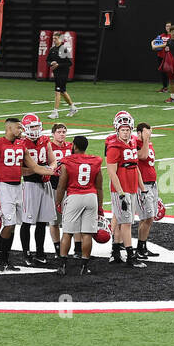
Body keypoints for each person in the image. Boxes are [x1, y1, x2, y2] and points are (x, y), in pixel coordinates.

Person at [0, 116, 51, 271]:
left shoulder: (21, 144)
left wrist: (52, 171)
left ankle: (5, 259)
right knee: (8, 224)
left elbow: (34, 167)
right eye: (19, 128)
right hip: (4, 187)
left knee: (14, 225)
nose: (21, 130)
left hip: (18, 186)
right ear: (9, 128)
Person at [53, 134, 105, 277]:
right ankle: (84, 266)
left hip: (74, 196)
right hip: (91, 197)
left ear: (74, 146)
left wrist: (58, 202)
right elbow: (99, 187)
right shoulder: (95, 161)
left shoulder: (67, 161)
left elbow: (61, 185)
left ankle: (62, 265)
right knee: (87, 233)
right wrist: (100, 207)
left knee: (68, 233)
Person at [104, 111, 145, 268]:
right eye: (123, 129)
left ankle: (115, 252)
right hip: (121, 189)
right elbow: (111, 172)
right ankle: (130, 256)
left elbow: (135, 167)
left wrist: (142, 188)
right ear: (117, 130)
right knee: (126, 222)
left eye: (128, 129)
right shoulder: (114, 146)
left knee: (122, 221)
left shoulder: (133, 143)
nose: (126, 132)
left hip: (132, 187)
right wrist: (121, 192)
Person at [17, 113, 57, 267]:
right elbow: (20, 170)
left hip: (44, 184)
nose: (34, 130)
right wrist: (40, 170)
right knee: (27, 221)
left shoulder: (44, 140)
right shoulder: (21, 143)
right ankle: (26, 252)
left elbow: (53, 161)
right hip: (30, 185)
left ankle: (40, 252)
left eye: (36, 126)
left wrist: (49, 169)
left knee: (42, 221)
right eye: (31, 127)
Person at [132, 122, 160, 262]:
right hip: (142, 186)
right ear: (139, 133)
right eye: (146, 131)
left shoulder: (148, 144)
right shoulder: (136, 143)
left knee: (150, 217)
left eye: (150, 131)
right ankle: (139, 248)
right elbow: (142, 156)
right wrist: (145, 141)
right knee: (146, 217)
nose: (149, 133)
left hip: (152, 184)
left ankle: (143, 246)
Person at [45, 122, 74, 257]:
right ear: (53, 134)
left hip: (69, 186)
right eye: (59, 132)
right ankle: (58, 248)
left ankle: (70, 247)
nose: (62, 134)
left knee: (71, 220)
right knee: (54, 220)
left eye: (64, 132)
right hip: (54, 184)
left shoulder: (71, 146)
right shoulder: (48, 147)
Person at [48, 31, 79, 117]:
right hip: (56, 73)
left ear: (60, 39)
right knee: (62, 91)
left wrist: (58, 64)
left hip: (63, 73)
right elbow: (47, 60)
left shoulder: (64, 49)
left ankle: (55, 112)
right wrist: (51, 63)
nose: (54, 40)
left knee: (57, 91)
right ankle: (73, 108)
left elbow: (69, 63)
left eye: (56, 38)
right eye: (53, 38)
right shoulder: (52, 49)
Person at [152, 21, 172, 92]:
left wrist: (156, 46)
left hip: (168, 57)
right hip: (160, 56)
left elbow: (165, 45)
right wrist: (153, 46)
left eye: (169, 26)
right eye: (167, 26)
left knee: (168, 72)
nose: (168, 27)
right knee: (162, 72)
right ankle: (165, 87)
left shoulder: (172, 36)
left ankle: (169, 87)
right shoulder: (162, 35)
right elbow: (153, 41)